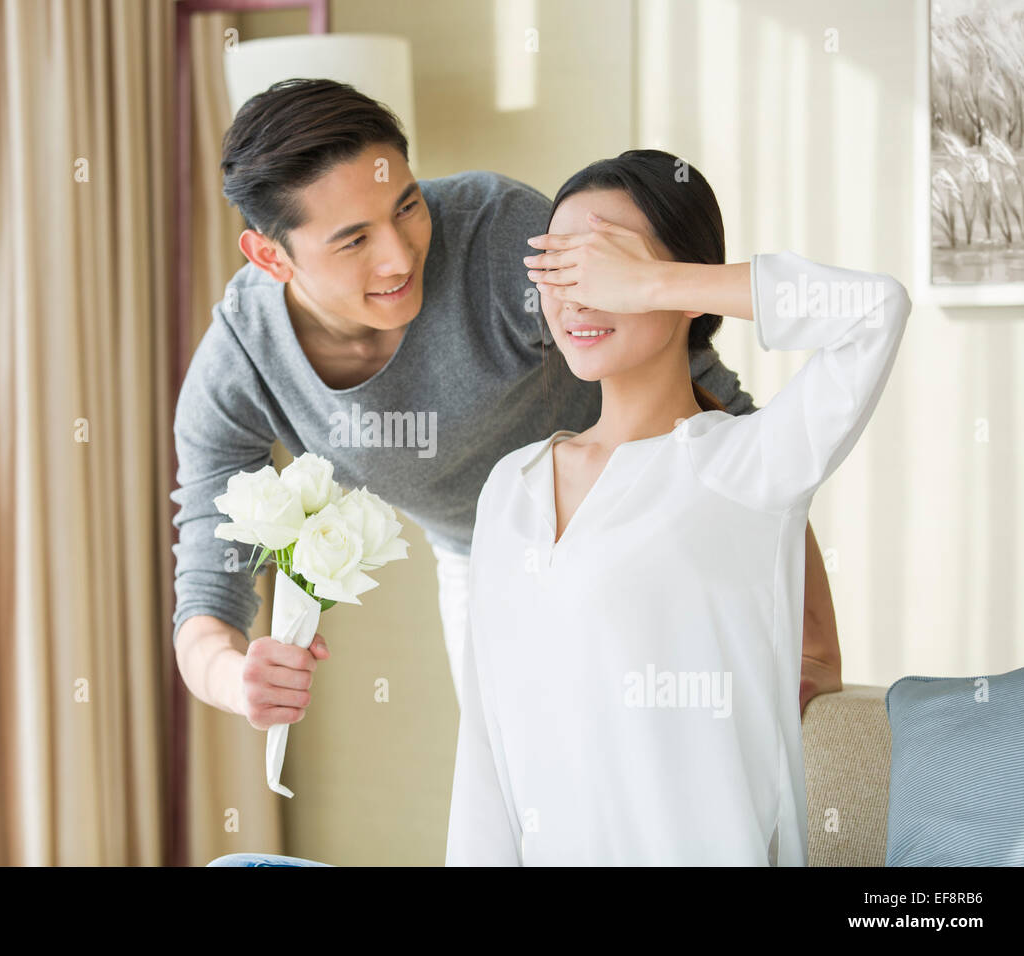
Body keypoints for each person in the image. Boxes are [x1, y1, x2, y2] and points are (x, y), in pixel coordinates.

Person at [173, 80, 843, 745]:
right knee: (523, 781)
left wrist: (814, 647)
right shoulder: (243, 365)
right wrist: (239, 680)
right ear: (270, 256)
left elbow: (732, 418)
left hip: (655, 514)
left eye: (408, 205)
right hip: (484, 558)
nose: (400, 256)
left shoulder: (498, 237)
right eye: (353, 241)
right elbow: (208, 592)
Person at [445, 150, 911, 866]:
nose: (578, 294)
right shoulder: (512, 485)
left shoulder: (748, 467)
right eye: (559, 268)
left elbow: (875, 310)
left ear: (688, 285)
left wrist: (654, 283)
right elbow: (485, 751)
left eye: (605, 266)